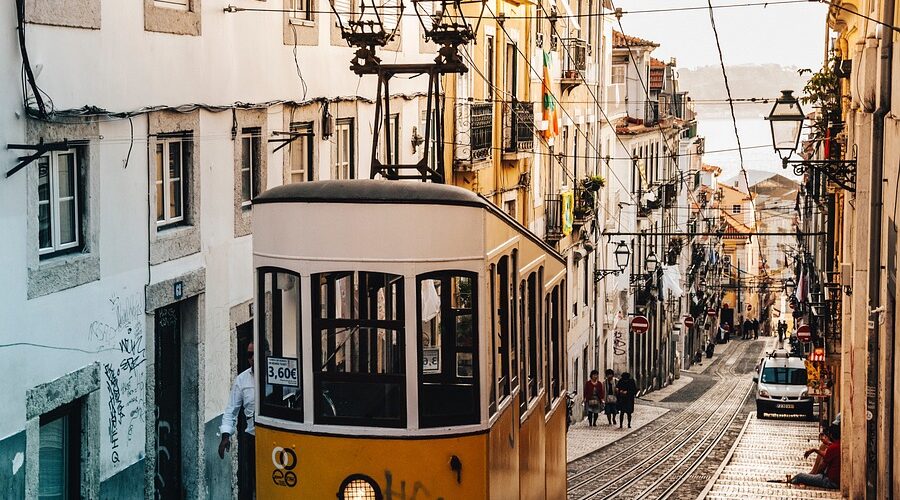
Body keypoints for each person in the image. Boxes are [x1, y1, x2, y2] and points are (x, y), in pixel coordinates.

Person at [219, 341, 257, 496]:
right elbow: (231, 410)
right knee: (250, 480)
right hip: (252, 438)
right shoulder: (242, 380)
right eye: (249, 355)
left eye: (256, 353)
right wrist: (225, 435)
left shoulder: (278, 374)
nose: (253, 358)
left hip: (276, 436)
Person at [788, 424, 841, 489]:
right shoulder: (839, 445)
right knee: (804, 477)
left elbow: (822, 467)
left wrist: (815, 476)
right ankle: (791, 480)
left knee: (800, 476)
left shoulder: (832, 448)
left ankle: (789, 481)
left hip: (829, 481)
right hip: (834, 480)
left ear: (831, 435)